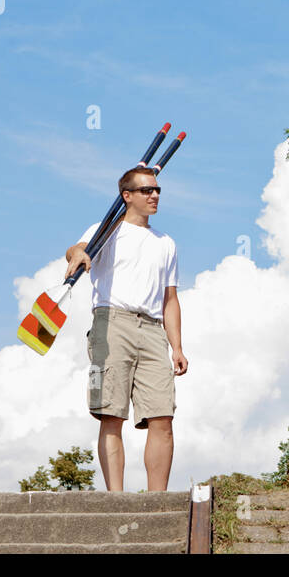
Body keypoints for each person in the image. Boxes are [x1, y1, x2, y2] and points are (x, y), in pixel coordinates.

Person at [65, 166, 185, 491]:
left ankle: (157, 499)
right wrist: (77, 255)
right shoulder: (105, 229)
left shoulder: (166, 243)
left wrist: (177, 347)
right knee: (111, 414)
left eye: (157, 190)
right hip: (111, 322)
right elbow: (76, 250)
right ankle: (115, 499)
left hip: (152, 329)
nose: (155, 195)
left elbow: (170, 299)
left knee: (162, 417)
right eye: (147, 190)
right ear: (127, 196)